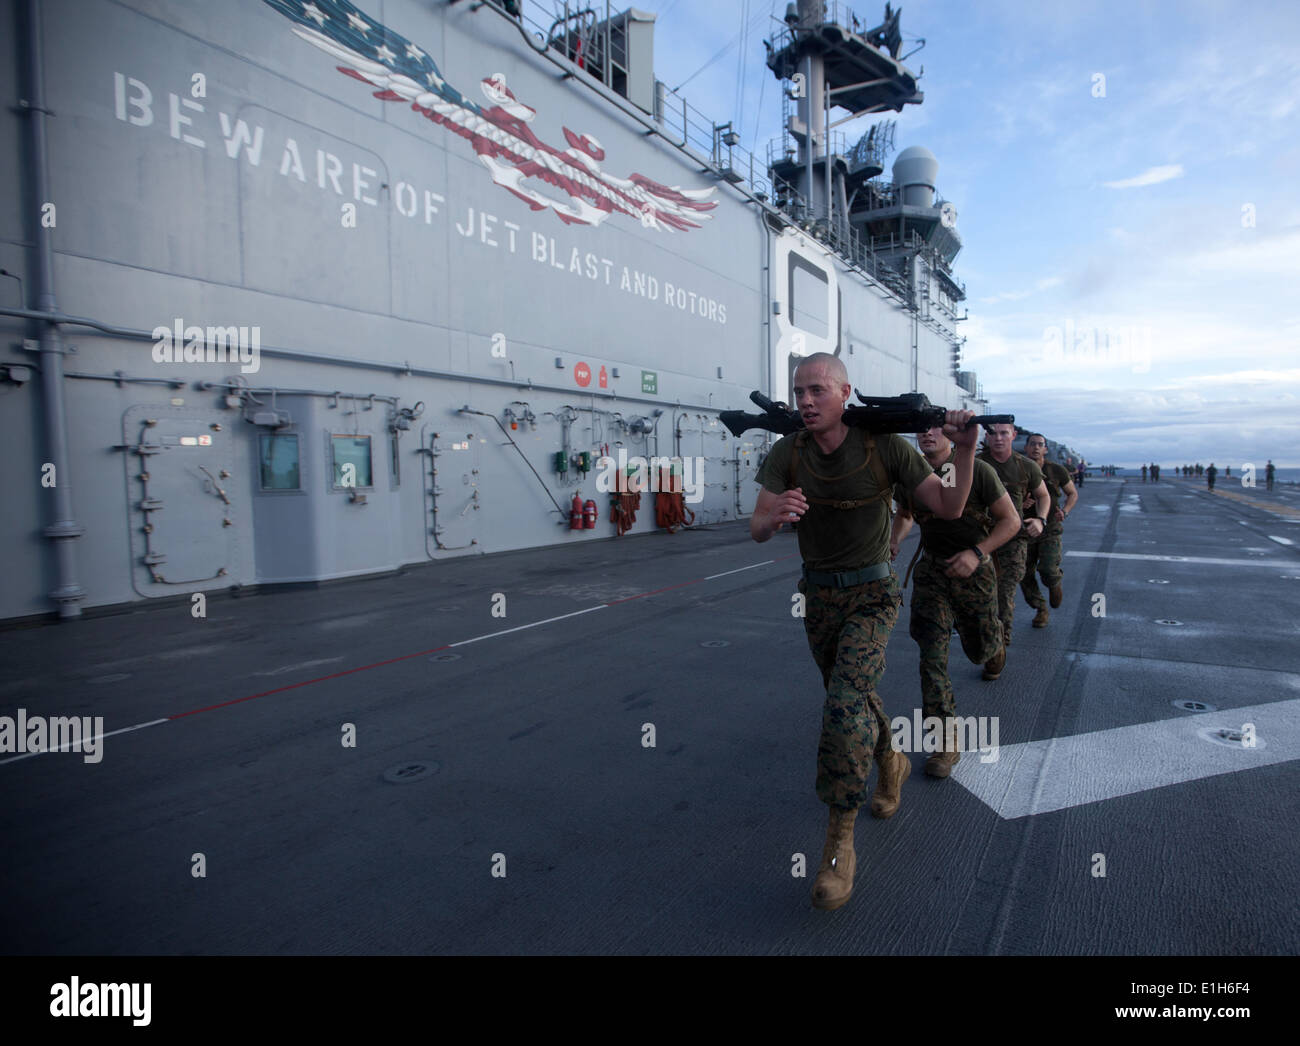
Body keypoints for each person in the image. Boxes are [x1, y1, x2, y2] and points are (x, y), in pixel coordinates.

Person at [751, 352, 978, 911]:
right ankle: (892, 760)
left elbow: (948, 506)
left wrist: (968, 448)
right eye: (799, 391)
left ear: (845, 392)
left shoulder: (888, 448)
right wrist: (774, 512)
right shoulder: (788, 452)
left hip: (874, 594)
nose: (805, 401)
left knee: (844, 707)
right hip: (819, 597)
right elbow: (757, 527)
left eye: (818, 391)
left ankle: (839, 842)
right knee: (848, 698)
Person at [890, 424, 1020, 777]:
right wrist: (895, 539)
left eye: (935, 428)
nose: (926, 434)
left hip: (975, 572)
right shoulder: (912, 473)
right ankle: (943, 742)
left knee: (981, 649)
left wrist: (977, 553)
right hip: (933, 573)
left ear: (951, 435)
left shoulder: (978, 471)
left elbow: (1011, 521)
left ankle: (994, 649)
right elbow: (905, 514)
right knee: (931, 657)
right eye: (921, 429)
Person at [977, 424, 1050, 675]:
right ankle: (987, 640)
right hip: (979, 541)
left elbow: (1044, 495)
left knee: (1003, 595)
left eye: (1003, 433)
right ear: (985, 436)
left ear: (1013, 436)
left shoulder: (1025, 466)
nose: (997, 438)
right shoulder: (972, 463)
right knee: (979, 599)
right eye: (992, 433)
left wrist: (1040, 519)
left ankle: (999, 648)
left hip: (1013, 542)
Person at [1020, 433, 1077, 628]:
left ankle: (1054, 583)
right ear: (1026, 448)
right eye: (1032, 444)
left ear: (1045, 449)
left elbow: (1072, 493)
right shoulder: (1018, 470)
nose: (1036, 448)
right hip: (1025, 529)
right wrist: (1020, 503)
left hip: (1050, 527)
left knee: (1047, 569)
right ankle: (1040, 609)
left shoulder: (1056, 470)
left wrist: (1065, 511)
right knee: (1024, 574)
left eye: (1040, 445)